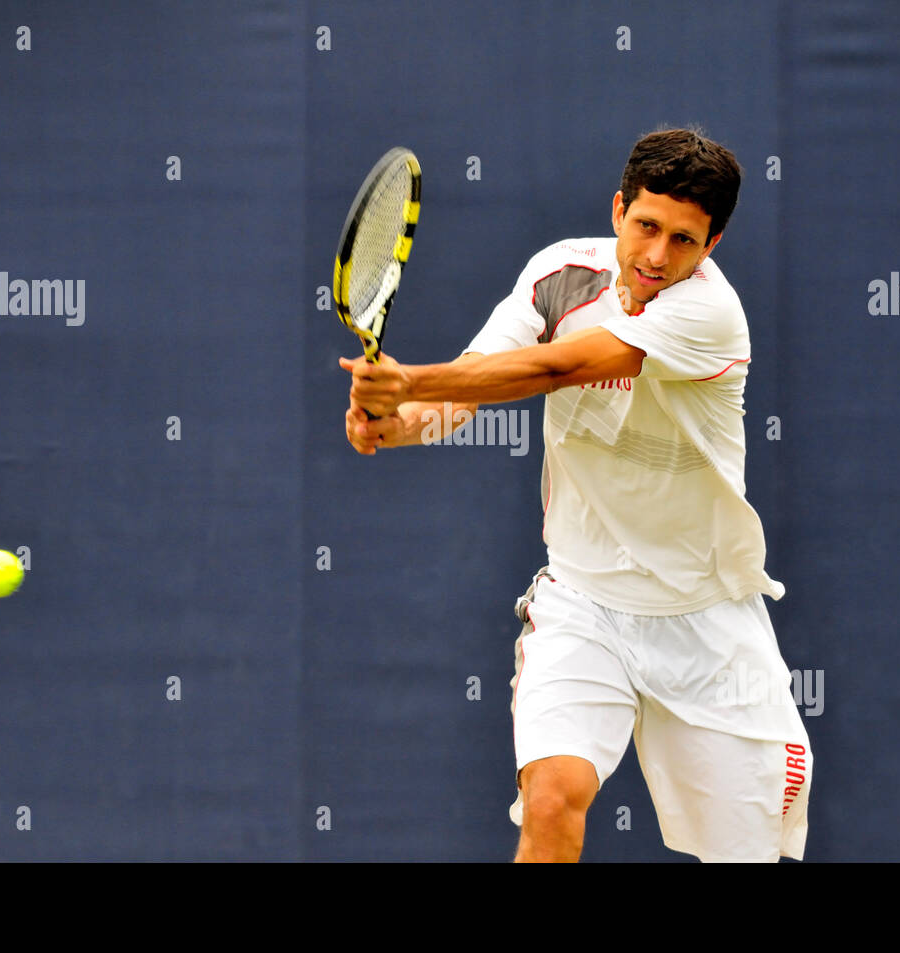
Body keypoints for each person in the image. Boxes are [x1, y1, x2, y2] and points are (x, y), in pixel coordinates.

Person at [340, 128, 812, 863]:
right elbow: (474, 385)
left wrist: (411, 379)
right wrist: (396, 423)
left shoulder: (710, 314)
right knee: (553, 798)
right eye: (646, 226)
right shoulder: (558, 274)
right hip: (582, 603)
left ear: (711, 245)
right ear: (618, 208)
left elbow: (559, 368)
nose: (657, 255)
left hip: (707, 621)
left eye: (683, 240)